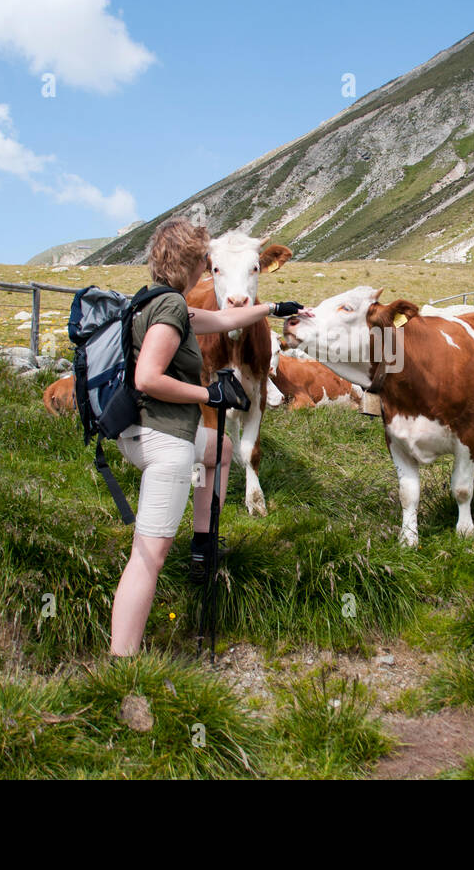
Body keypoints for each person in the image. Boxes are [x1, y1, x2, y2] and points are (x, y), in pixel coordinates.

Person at [109, 217, 306, 656]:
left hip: (159, 433)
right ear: (195, 264)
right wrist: (207, 392)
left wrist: (273, 309)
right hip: (163, 441)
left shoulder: (158, 301)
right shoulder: (169, 311)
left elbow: (218, 318)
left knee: (221, 447)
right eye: (205, 261)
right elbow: (147, 378)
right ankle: (122, 664)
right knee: (149, 557)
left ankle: (203, 545)